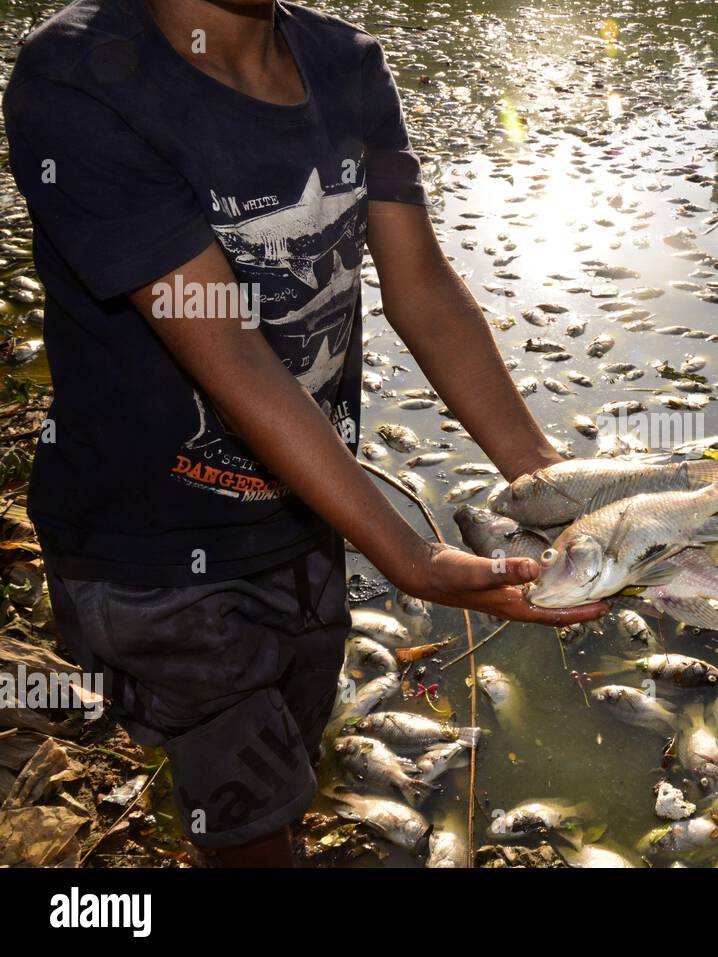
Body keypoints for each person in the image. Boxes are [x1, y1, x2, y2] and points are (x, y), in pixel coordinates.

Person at [3, 0, 606, 866]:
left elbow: (422, 289)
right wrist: (414, 558)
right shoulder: (79, 79)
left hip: (304, 510)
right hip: (153, 551)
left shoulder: (345, 61)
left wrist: (544, 476)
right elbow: (229, 348)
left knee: (294, 735)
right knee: (244, 813)